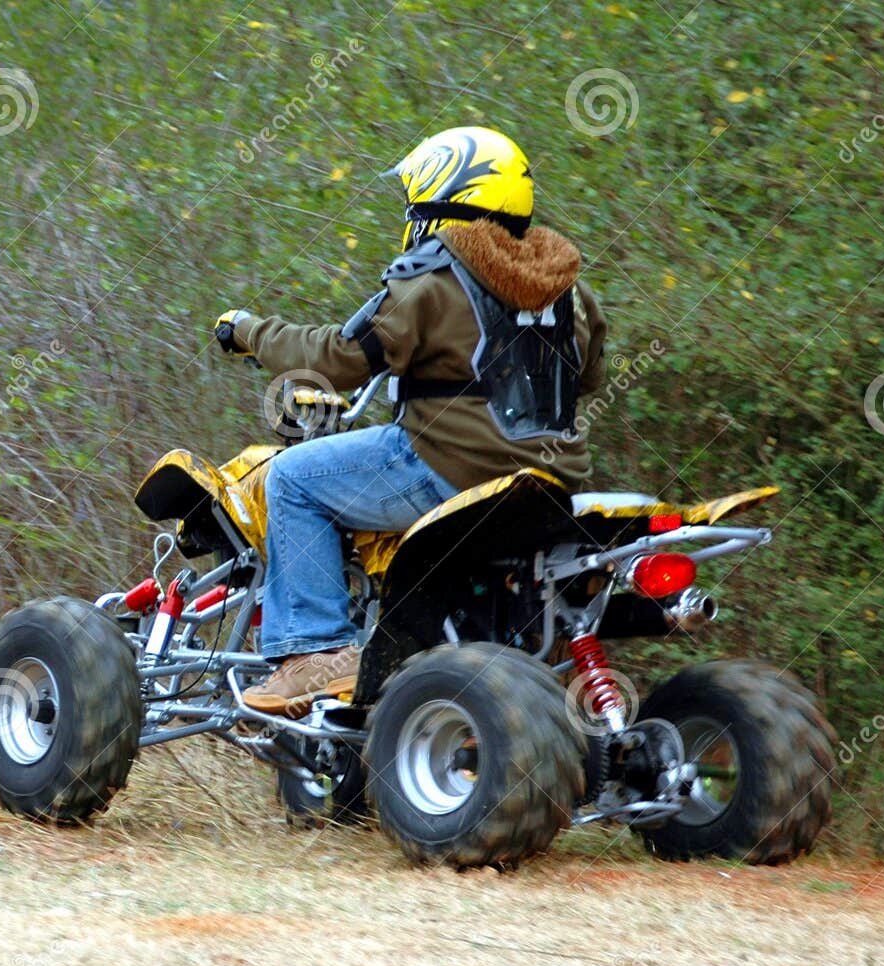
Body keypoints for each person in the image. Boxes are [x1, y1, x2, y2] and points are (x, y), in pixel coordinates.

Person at [213, 126, 608, 717]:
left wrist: (249, 331)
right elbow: (591, 379)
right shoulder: (569, 291)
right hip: (548, 483)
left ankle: (316, 652)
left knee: (291, 478)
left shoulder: (431, 276)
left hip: (446, 466)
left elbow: (338, 358)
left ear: (438, 194)